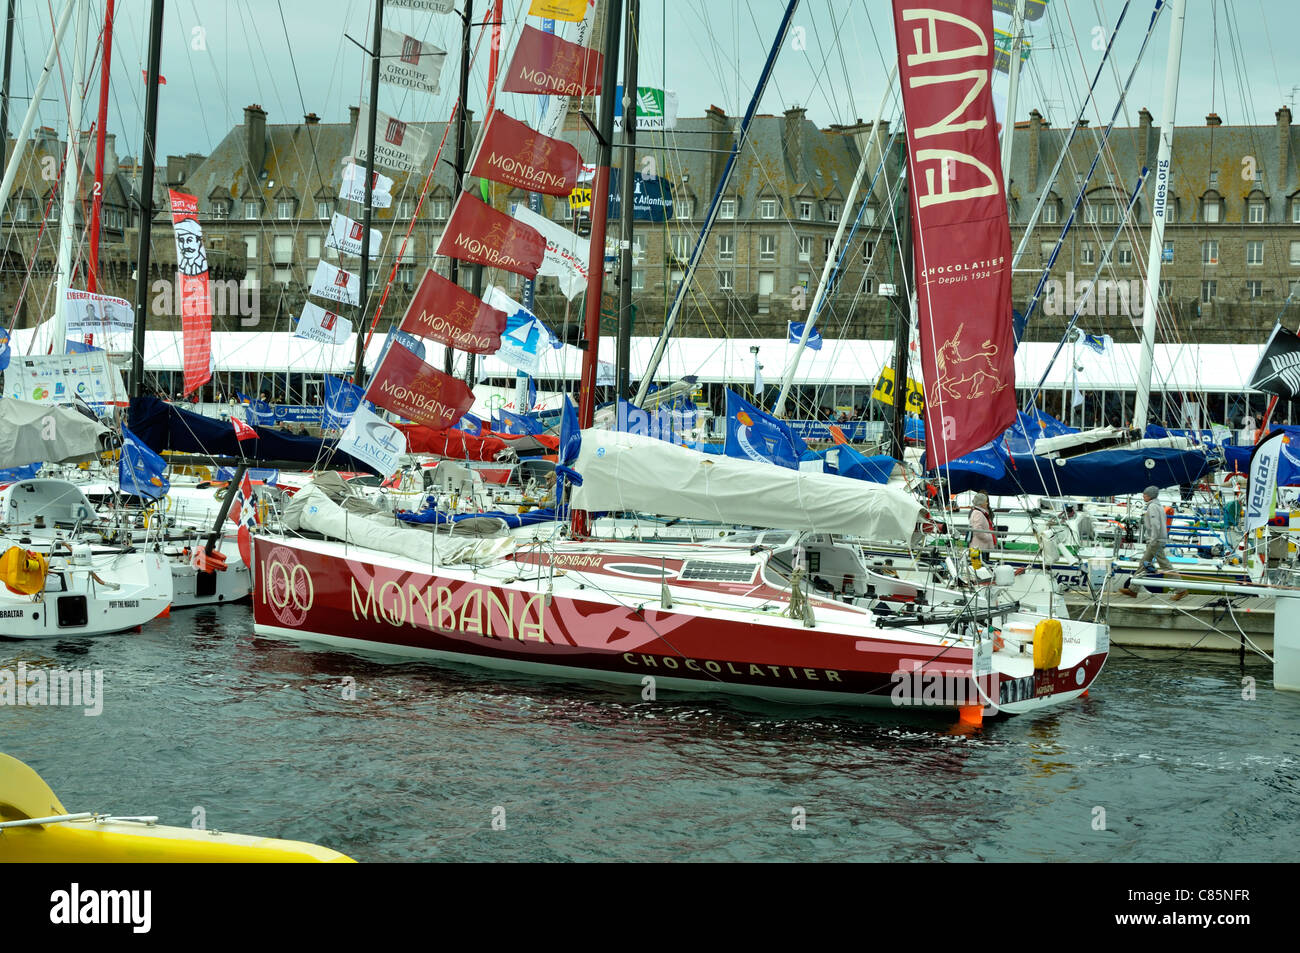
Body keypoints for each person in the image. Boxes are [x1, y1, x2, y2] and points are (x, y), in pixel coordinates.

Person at [1122, 485, 1187, 600]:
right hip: (1157, 540)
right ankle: (1133, 589)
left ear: (1150, 496)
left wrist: (1152, 540)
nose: (1143, 496)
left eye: (1145, 495)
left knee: (1165, 565)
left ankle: (1181, 590)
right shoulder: (1158, 506)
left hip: (1155, 541)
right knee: (1143, 564)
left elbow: (1155, 525)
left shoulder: (1152, 507)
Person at [969, 491, 995, 560]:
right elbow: (977, 529)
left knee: (978, 567)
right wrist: (987, 537)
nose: (987, 503)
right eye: (985, 501)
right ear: (981, 503)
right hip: (979, 546)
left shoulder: (977, 512)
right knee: (980, 567)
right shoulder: (978, 513)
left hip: (978, 546)